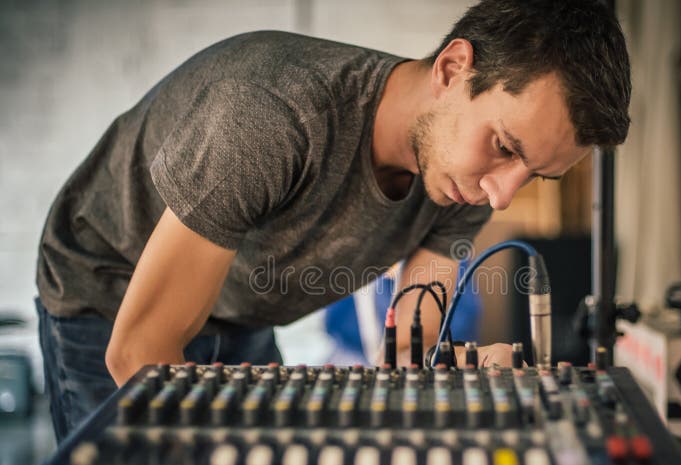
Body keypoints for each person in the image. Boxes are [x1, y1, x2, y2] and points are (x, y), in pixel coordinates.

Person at [35, 0, 631, 442]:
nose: (502, 197)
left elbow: (413, 342)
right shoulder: (270, 114)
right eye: (505, 145)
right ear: (452, 69)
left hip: (240, 305)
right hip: (109, 291)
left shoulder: (467, 179)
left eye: (535, 173)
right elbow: (139, 348)